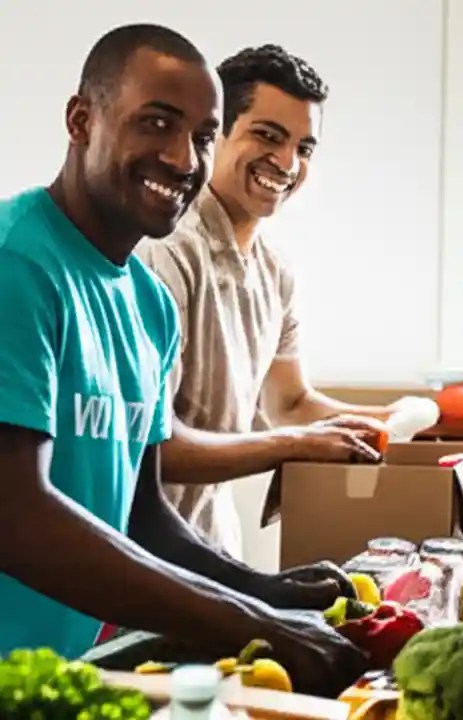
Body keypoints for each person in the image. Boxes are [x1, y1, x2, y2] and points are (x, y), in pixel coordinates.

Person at [0, 24, 365, 695]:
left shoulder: (147, 302)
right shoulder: (15, 263)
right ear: (81, 120)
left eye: (201, 135)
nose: (182, 157)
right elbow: (16, 514)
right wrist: (254, 622)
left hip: (75, 675)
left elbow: (142, 513)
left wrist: (267, 589)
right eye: (157, 123)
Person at [135, 44, 396, 558]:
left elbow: (292, 404)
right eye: (268, 136)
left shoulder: (275, 272)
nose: (287, 162)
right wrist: (297, 446)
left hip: (213, 548)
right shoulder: (167, 253)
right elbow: (154, 448)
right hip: (140, 555)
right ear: (216, 133)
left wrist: (403, 421)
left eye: (304, 148)